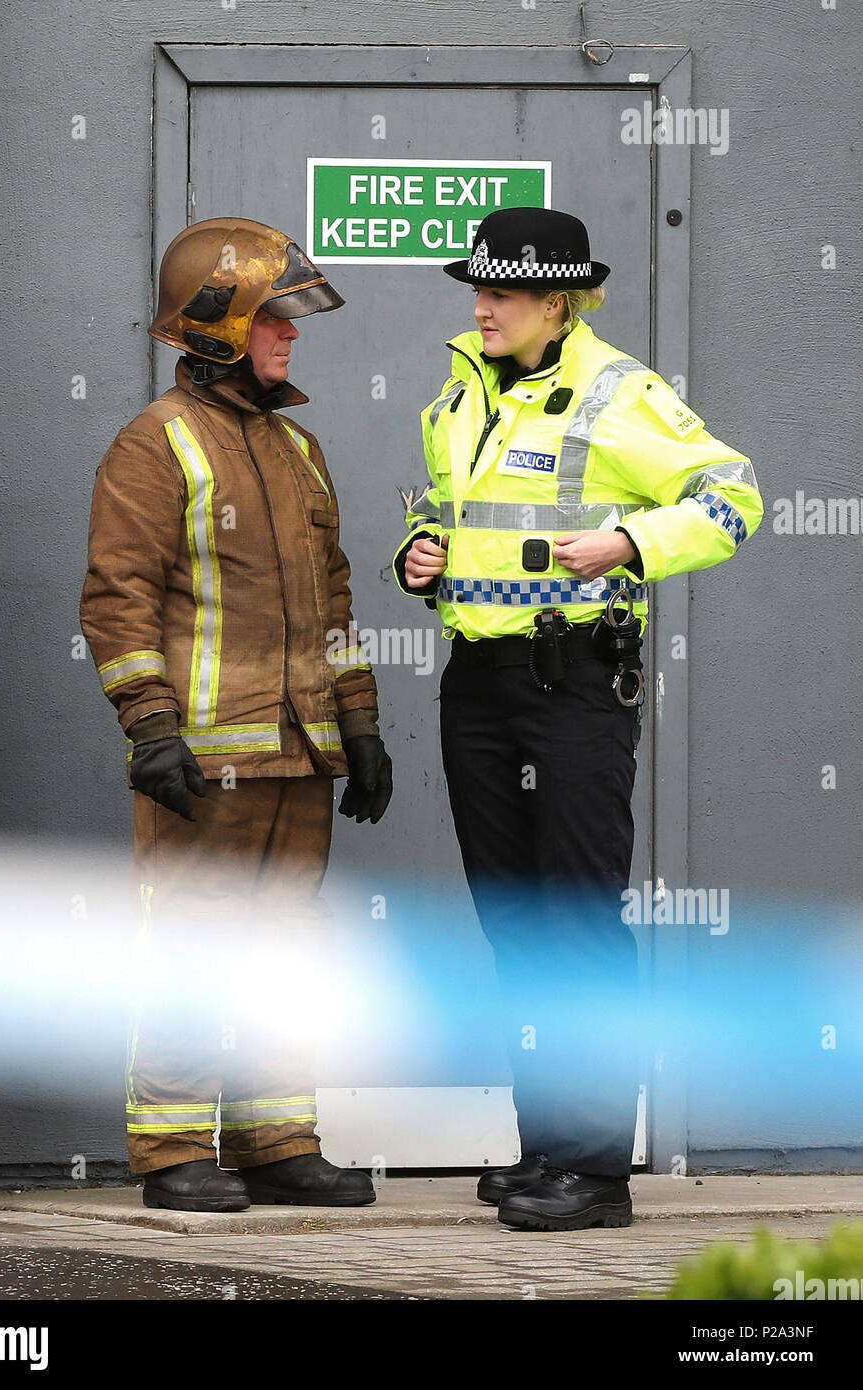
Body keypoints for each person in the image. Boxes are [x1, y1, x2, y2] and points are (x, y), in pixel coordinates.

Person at [393, 206, 762, 1231]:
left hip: (575, 690)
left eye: (502, 291)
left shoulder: (620, 392)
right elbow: (448, 508)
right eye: (478, 287)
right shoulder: (456, 398)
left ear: (559, 301)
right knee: (513, 920)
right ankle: (544, 1145)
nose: (483, 304)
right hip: (478, 684)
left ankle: (597, 1174)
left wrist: (632, 544)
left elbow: (734, 497)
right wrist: (420, 552)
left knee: (577, 920)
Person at [81, 217, 392, 1213]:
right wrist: (150, 726)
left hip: (300, 754)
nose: (291, 335)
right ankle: (172, 1150)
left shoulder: (298, 448)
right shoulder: (153, 443)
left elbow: (332, 597)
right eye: (271, 318)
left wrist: (363, 724)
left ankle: (274, 1140)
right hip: (202, 760)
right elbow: (118, 593)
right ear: (215, 329)